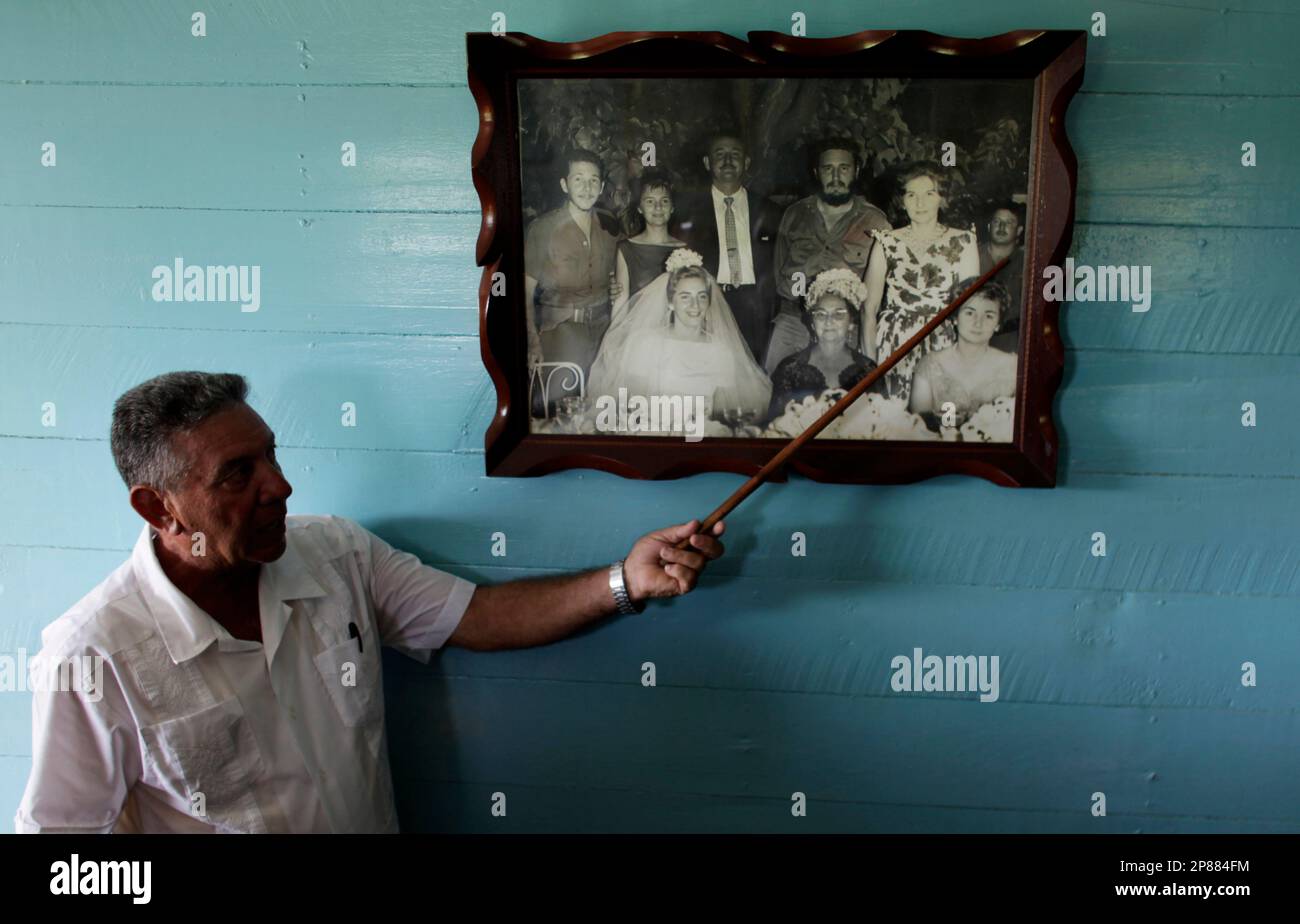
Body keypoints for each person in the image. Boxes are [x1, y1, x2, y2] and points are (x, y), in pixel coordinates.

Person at [15, 371, 725, 833]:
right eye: (239, 475)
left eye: (271, 455)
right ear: (158, 507)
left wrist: (625, 581)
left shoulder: (335, 554)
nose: (280, 487)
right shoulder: (93, 656)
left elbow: (475, 616)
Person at [588, 250, 772, 427]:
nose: (695, 305)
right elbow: (635, 407)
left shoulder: (721, 350)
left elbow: (722, 411)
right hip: (655, 432)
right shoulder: (646, 343)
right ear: (670, 302)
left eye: (702, 297)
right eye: (685, 297)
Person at [767, 137, 892, 374]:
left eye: (843, 168)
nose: (835, 177)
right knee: (777, 394)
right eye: (828, 169)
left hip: (848, 328)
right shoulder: (794, 214)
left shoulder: (876, 221)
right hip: (794, 322)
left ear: (855, 171)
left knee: (844, 401)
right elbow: (779, 270)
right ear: (816, 172)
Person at [863, 163, 980, 401]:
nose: (920, 203)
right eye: (911, 195)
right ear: (901, 200)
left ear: (942, 199)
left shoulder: (964, 241)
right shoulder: (886, 241)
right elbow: (868, 308)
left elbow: (971, 308)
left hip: (944, 342)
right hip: (893, 344)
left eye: (929, 194)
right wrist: (871, 367)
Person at [674, 130, 783, 365]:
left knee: (753, 373)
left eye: (735, 154)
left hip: (755, 307)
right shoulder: (686, 211)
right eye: (719, 154)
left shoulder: (769, 211)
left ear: (746, 163)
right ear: (707, 162)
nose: (727, 161)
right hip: (708, 303)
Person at [523, 149, 618, 406]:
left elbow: (618, 275)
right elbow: (525, 291)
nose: (587, 188)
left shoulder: (610, 225)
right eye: (578, 179)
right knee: (559, 413)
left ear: (601, 187)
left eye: (593, 180)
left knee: (602, 410)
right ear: (564, 184)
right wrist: (532, 342)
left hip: (604, 332)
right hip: (561, 333)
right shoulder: (542, 229)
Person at [767, 269, 883, 423]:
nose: (829, 321)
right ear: (812, 324)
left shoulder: (868, 370)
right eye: (821, 314)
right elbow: (776, 427)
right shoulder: (789, 368)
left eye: (838, 314)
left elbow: (881, 423)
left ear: (851, 323)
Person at [909, 279, 1018, 427]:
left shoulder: (1013, 367)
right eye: (969, 313)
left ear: (998, 324)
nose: (977, 323)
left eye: (988, 316)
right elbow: (918, 430)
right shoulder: (929, 366)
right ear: (955, 318)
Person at [611, 167, 687, 326]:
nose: (658, 207)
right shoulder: (626, 249)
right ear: (639, 208)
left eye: (664, 201)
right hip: (639, 335)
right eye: (650, 201)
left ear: (672, 207)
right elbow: (620, 304)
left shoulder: (685, 250)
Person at [977, 200, 1026, 353]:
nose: (1002, 227)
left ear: (1019, 230)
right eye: (997, 221)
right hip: (970, 339)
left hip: (1010, 342)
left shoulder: (1027, 262)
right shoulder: (971, 255)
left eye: (1009, 223)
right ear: (989, 226)